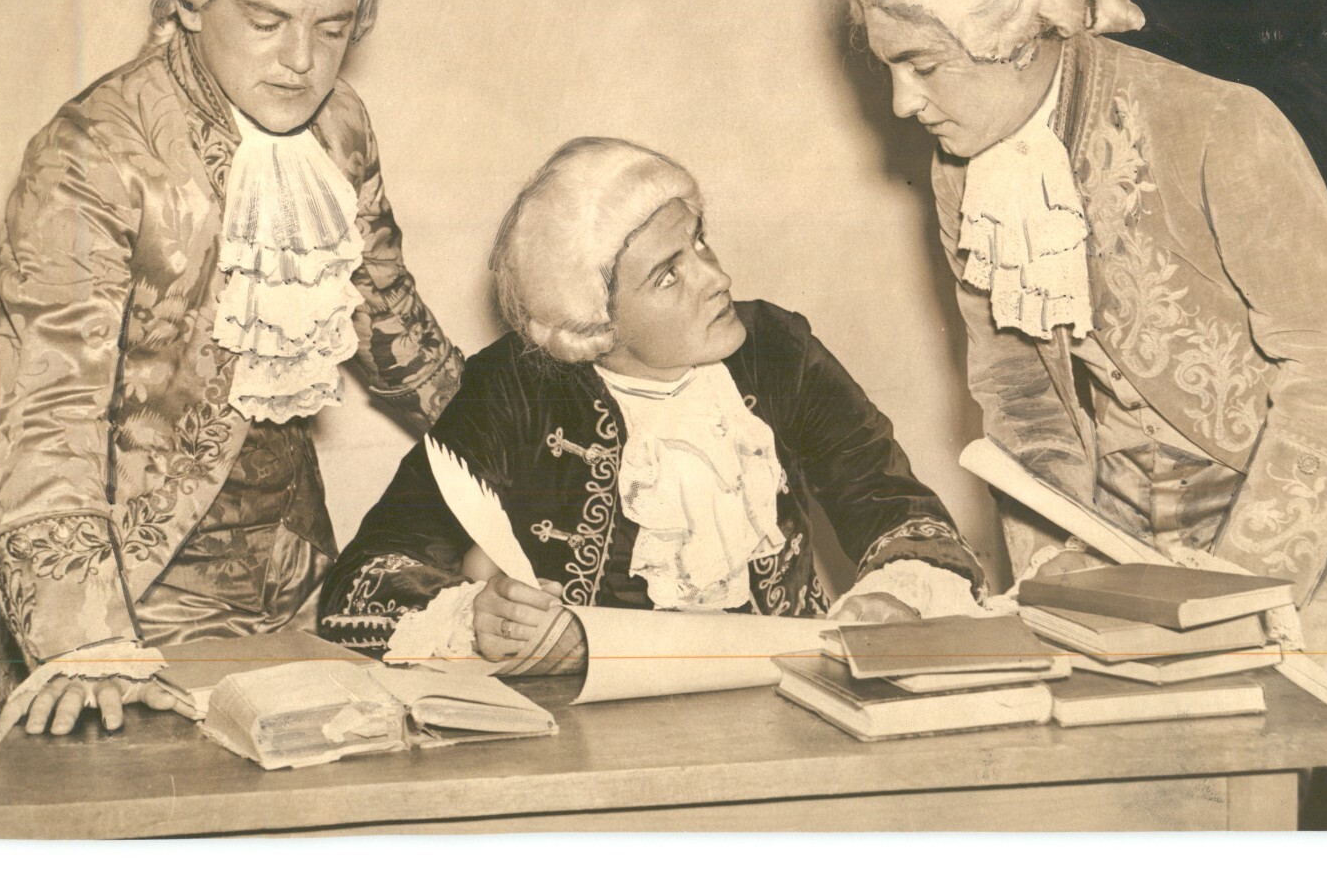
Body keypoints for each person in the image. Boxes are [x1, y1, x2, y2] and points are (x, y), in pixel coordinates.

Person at [847, 0, 1327, 744]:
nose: (905, 103)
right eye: (888, 67)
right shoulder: (962, 175)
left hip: (1306, 533)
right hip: (1123, 554)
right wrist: (1061, 570)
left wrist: (1242, 588)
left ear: (1017, 42)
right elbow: (1022, 395)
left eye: (924, 66)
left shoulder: (1221, 126)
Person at [0, 0, 464, 737]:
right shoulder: (92, 153)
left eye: (333, 27)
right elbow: (45, 417)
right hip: (129, 599)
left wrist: (532, 435)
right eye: (267, 20)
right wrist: (87, 646)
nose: (301, 59)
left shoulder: (340, 127)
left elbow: (395, 329)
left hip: (298, 579)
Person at [320, 137, 986, 667]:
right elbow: (366, 578)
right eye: (669, 273)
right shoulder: (512, 388)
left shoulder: (776, 349)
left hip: (789, 690)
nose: (717, 276)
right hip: (592, 728)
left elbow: (892, 502)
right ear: (595, 323)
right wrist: (475, 617)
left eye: (699, 240)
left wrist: (893, 591)